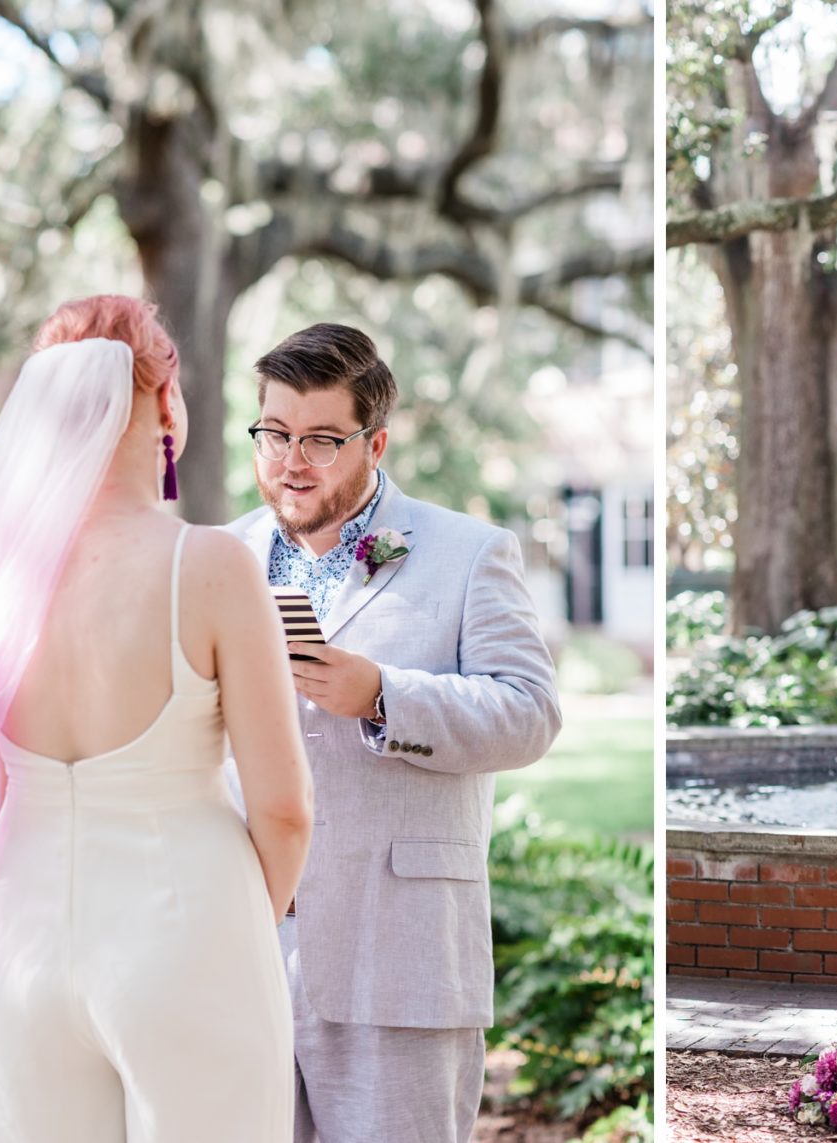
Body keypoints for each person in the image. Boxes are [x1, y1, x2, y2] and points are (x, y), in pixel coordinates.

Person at [0, 296, 314, 1140]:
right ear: (165, 402)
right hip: (189, 922)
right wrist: (238, 929)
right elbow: (284, 809)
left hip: (29, 939)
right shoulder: (212, 566)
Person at [228, 323, 562, 1143]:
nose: (291, 460)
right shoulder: (221, 557)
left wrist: (382, 695)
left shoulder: (471, 552)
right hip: (240, 949)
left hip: (400, 953)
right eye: (274, 433)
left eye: (321, 439)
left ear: (374, 443)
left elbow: (530, 712)